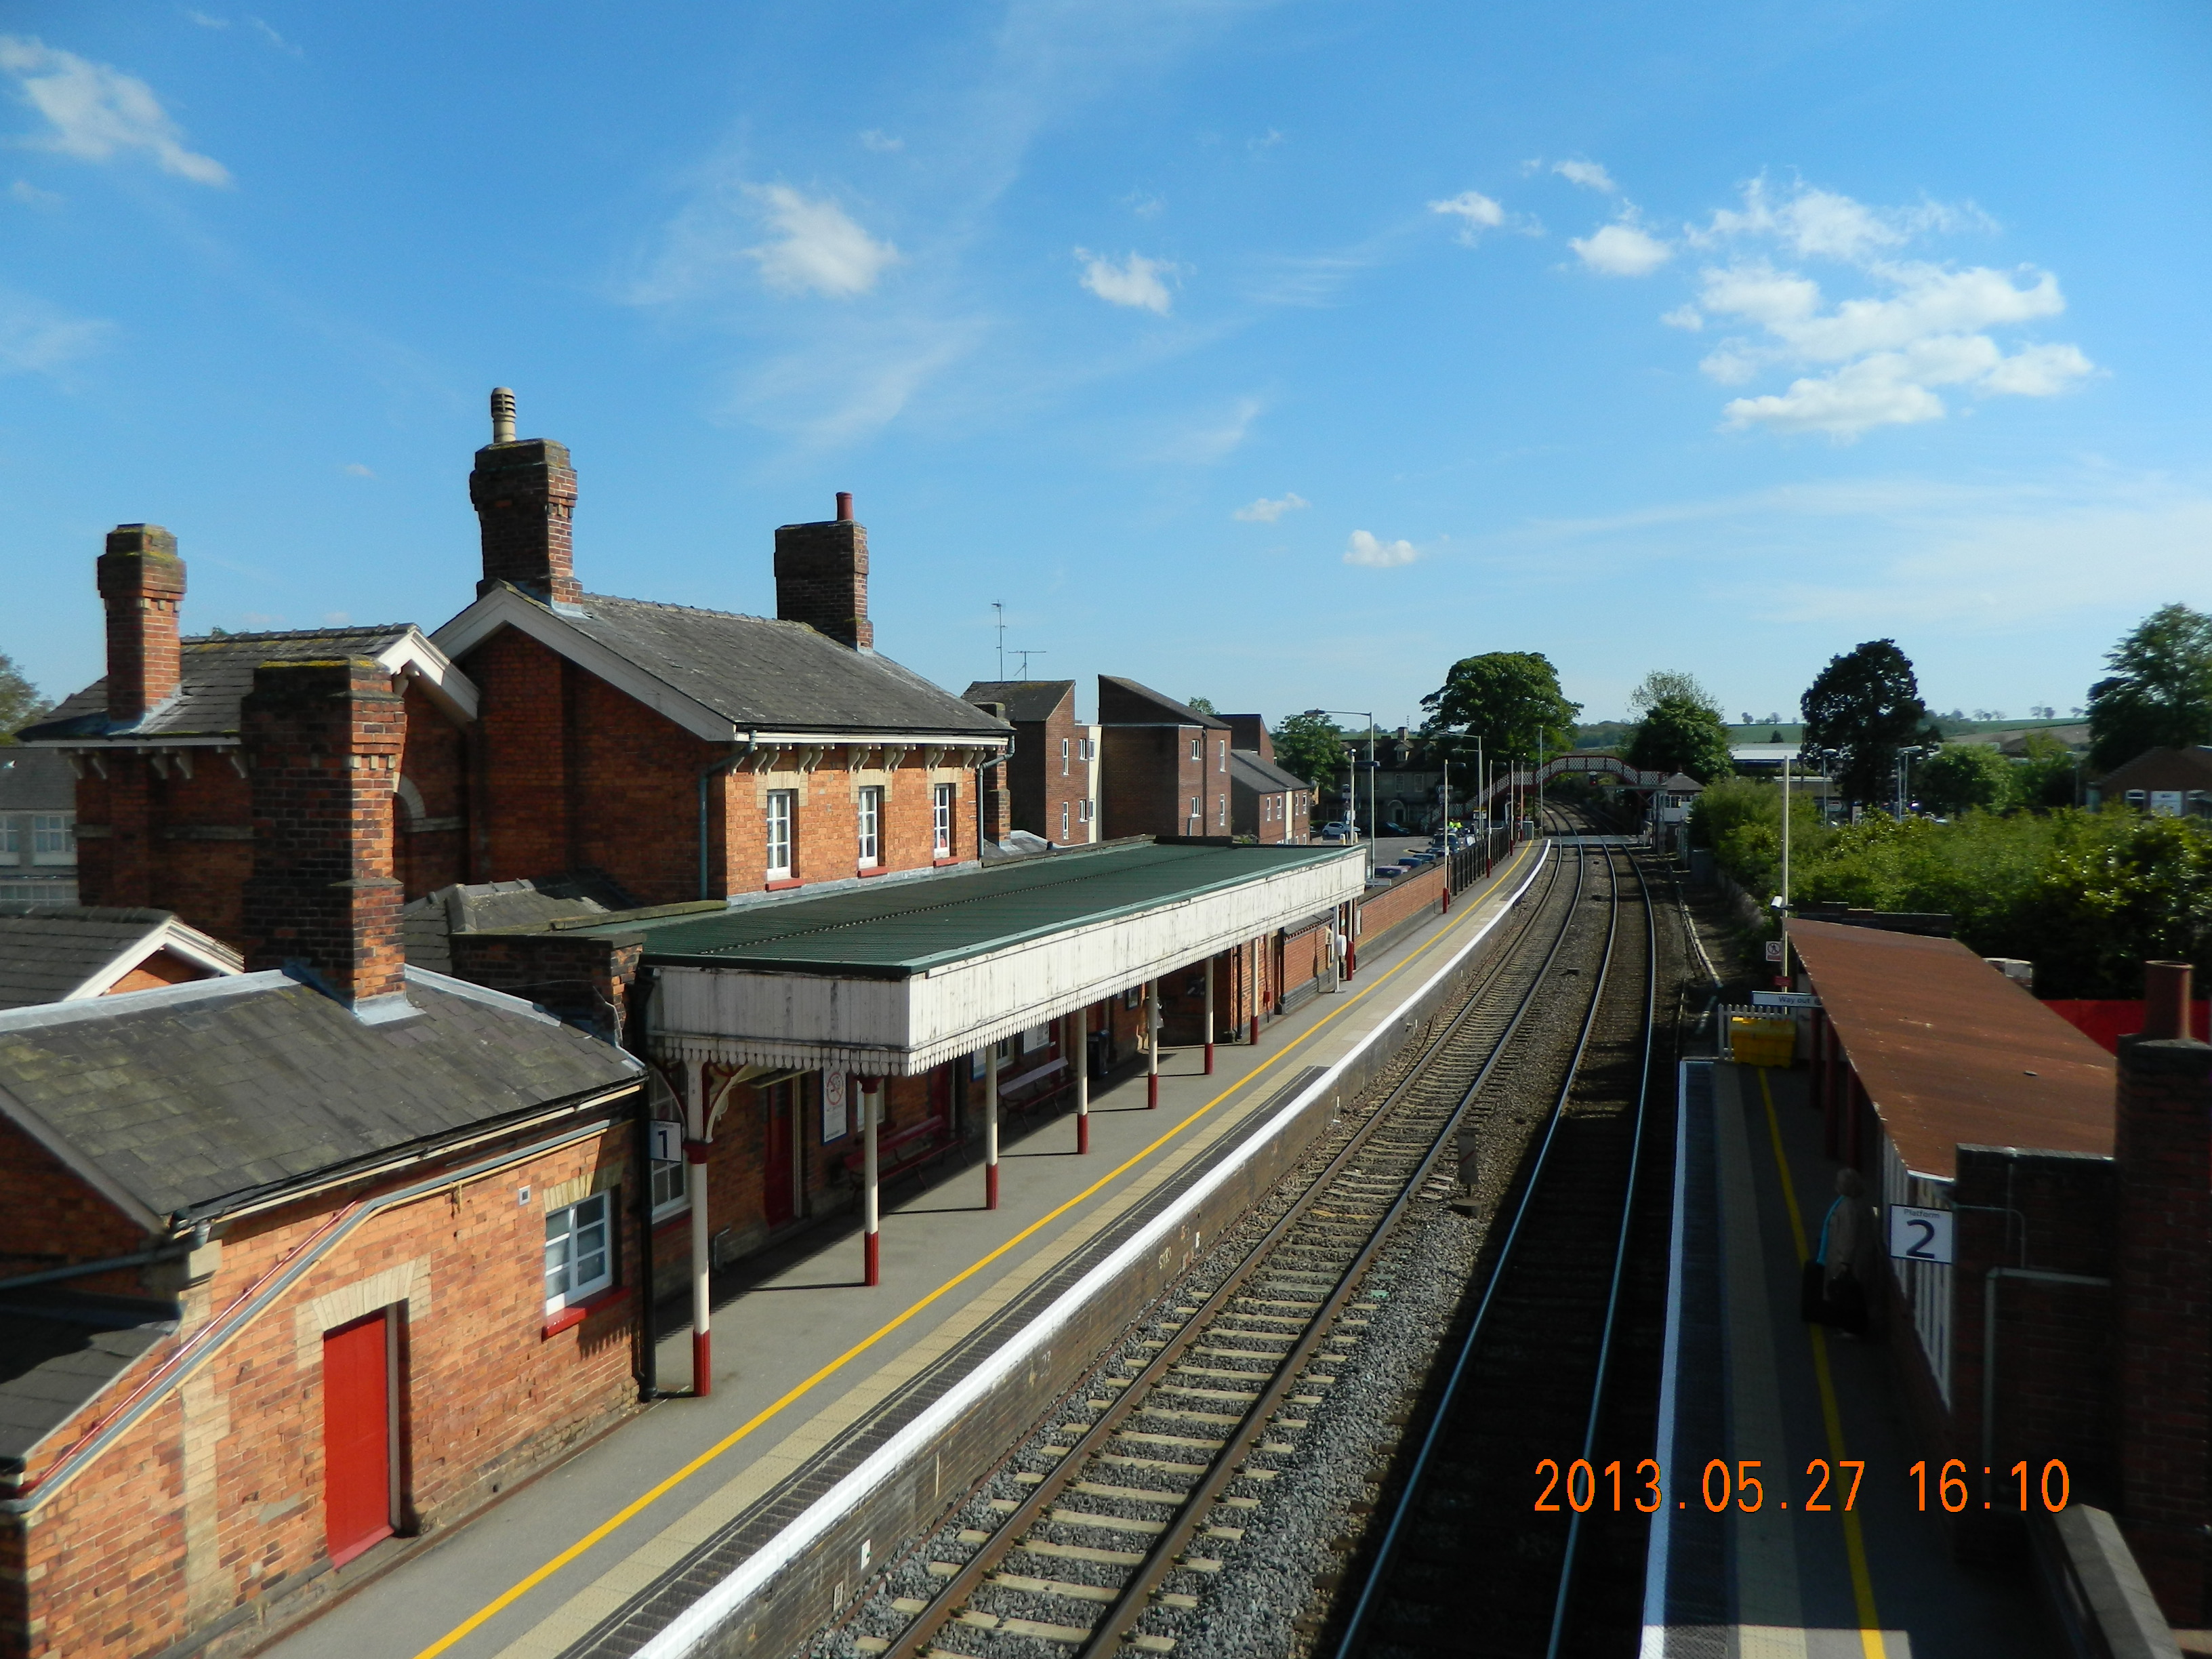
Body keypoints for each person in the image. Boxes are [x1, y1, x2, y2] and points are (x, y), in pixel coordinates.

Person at [1816, 1167, 1879, 1337]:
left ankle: (1850, 1328)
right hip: (1860, 1258)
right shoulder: (1860, 1203)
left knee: (1848, 1295)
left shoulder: (1848, 1207)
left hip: (1848, 1260)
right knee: (1856, 1295)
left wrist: (1845, 1262)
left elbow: (1848, 1237)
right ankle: (1852, 1325)